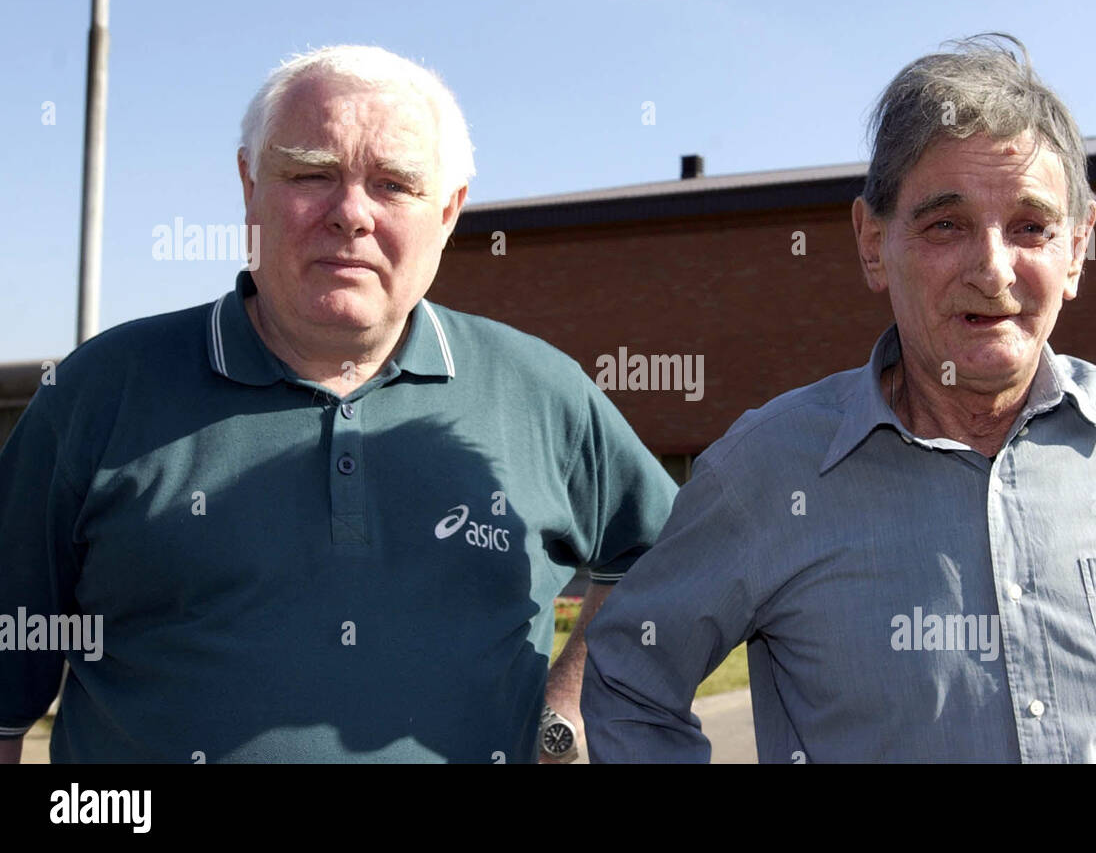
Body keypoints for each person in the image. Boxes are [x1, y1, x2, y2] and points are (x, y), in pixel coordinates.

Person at [581, 34, 1096, 763]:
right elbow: (630, 680)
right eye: (946, 225)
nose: (993, 271)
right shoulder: (767, 472)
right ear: (872, 243)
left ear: (1078, 249)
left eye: (1031, 227)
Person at [0, 45, 676, 763]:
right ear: (249, 184)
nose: (351, 214)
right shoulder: (98, 392)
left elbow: (672, 556)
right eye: (311, 174)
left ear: (449, 212)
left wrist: (565, 712)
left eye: (393, 184)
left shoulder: (541, 391)